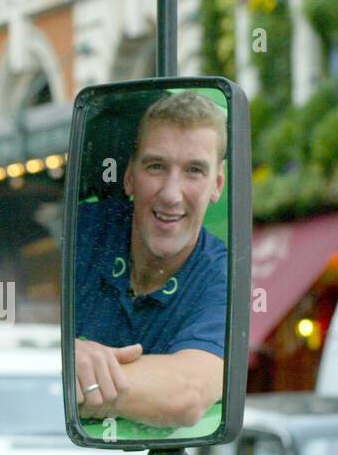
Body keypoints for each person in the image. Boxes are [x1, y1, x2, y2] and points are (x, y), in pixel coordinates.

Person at [73, 91, 228, 428]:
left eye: (194, 171)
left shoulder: (225, 276)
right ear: (130, 176)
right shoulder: (79, 231)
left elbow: (187, 393)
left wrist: (75, 373)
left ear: (217, 185)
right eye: (156, 166)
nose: (171, 195)